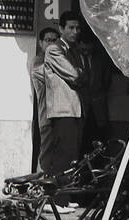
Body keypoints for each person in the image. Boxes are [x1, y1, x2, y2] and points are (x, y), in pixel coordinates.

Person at [39, 12, 87, 175]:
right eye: (71, 28)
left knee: (72, 157)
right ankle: (59, 198)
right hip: (63, 111)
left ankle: (64, 196)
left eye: (77, 28)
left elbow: (84, 75)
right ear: (61, 29)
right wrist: (78, 73)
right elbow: (75, 75)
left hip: (75, 110)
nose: (75, 32)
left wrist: (79, 73)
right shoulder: (54, 49)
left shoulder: (75, 51)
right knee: (63, 158)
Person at [29, 26, 60, 173]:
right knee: (45, 156)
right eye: (48, 40)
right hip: (47, 116)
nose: (51, 44)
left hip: (60, 115)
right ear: (41, 43)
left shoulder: (56, 61)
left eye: (55, 40)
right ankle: (38, 188)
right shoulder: (38, 62)